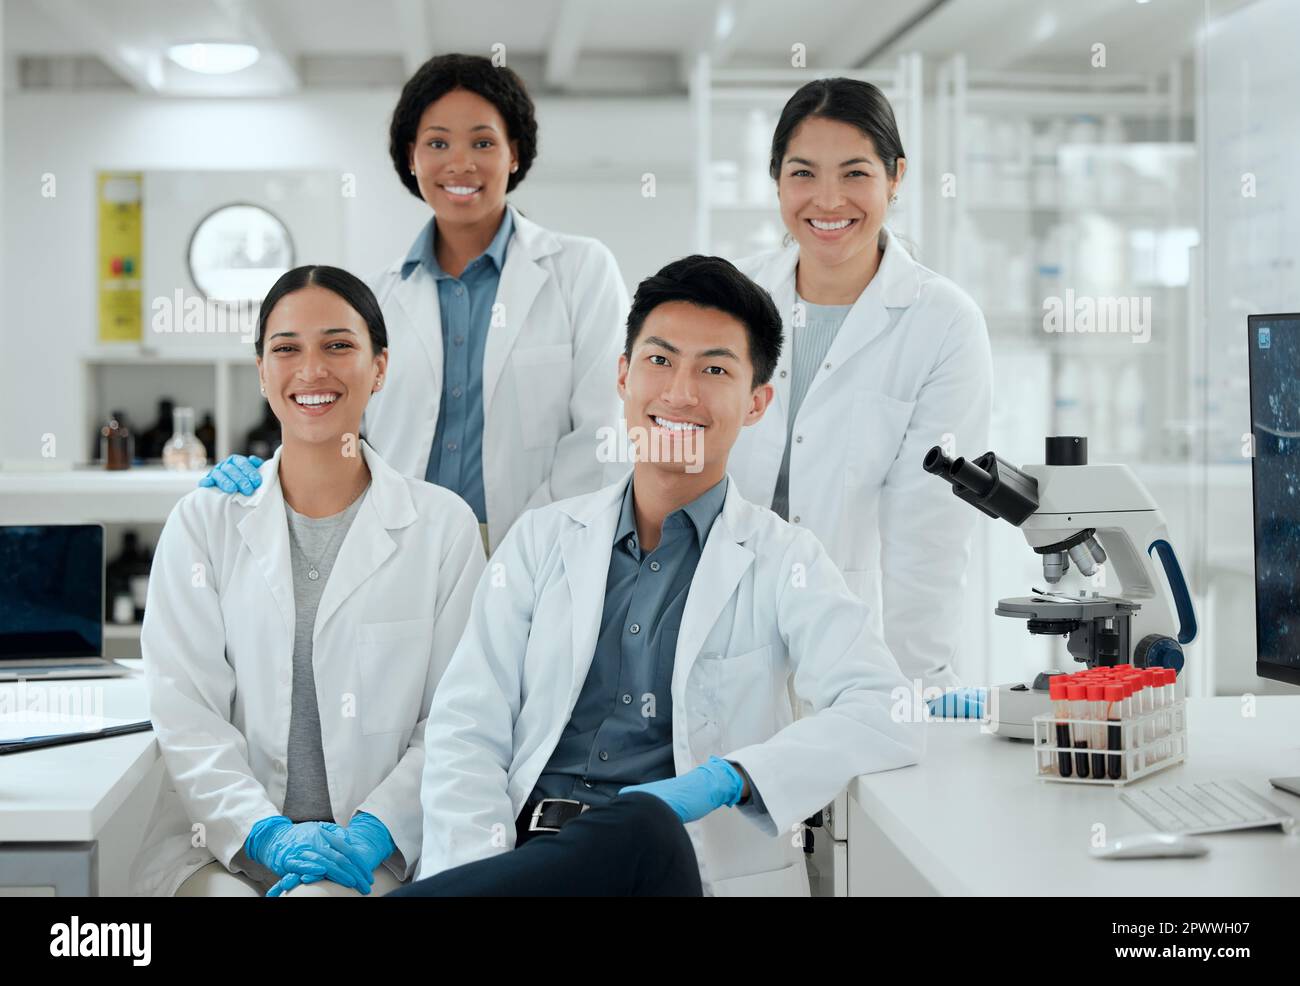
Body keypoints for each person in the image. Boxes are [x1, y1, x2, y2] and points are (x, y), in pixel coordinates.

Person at [392, 255, 924, 897]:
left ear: (758, 402)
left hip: (679, 873)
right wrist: (482, 868)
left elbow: (884, 710)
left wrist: (730, 778)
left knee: (641, 822)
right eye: (660, 360)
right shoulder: (541, 540)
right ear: (622, 375)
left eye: (716, 370)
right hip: (522, 859)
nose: (680, 393)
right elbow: (467, 728)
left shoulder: (787, 560)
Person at [130, 266, 484, 897]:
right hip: (222, 849)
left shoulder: (442, 528)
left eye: (338, 345)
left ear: (379, 367)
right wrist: (266, 833)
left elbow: (456, 718)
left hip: (370, 855)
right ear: (262, 370)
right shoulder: (205, 522)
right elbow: (185, 713)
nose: (311, 370)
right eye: (286, 348)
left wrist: (376, 828)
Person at [201, 53, 629, 554]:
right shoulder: (374, 296)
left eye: (483, 142)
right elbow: (341, 431)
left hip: (540, 541)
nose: (460, 163)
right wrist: (269, 474)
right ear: (411, 157)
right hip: (397, 545)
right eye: (438, 142)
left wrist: (532, 544)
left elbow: (606, 433)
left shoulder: (581, 271)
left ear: (514, 153)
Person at [728, 78, 993, 690]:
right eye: (802, 174)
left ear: (895, 177)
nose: (827, 200)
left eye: (854, 173)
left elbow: (929, 533)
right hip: (723, 628)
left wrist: (909, 687)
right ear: (776, 180)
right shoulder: (730, 298)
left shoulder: (942, 322)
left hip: (857, 643)